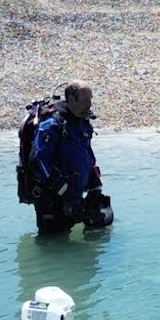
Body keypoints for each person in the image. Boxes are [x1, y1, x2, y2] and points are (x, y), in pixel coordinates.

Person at [28, 80, 112, 234]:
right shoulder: (51, 126)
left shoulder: (82, 122)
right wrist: (64, 192)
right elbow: (38, 161)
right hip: (52, 201)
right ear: (72, 100)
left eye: (91, 99)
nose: (90, 104)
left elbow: (86, 154)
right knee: (53, 243)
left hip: (74, 197)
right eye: (85, 100)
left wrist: (95, 185)